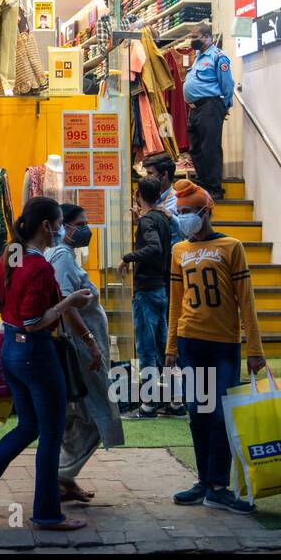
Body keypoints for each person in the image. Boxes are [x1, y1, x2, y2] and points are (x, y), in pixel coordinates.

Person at [0, 198, 101, 531]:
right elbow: (35, 321)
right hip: (36, 353)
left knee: (29, 427)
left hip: (11, 351)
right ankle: (48, 513)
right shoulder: (39, 266)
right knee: (50, 434)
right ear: (47, 226)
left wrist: (17, 299)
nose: (63, 229)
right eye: (60, 222)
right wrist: (69, 301)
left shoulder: (12, 255)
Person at [164, 179, 266, 514]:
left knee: (221, 414)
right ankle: (205, 481)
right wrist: (170, 349)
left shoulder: (232, 247)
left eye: (190, 212)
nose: (184, 218)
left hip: (223, 345)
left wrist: (255, 349)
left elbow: (245, 302)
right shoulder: (179, 250)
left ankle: (219, 485)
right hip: (191, 342)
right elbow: (175, 302)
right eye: (180, 213)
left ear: (206, 212)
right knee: (198, 412)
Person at [46, 204, 121, 504]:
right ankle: (61, 472)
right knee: (101, 413)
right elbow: (66, 303)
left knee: (79, 414)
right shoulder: (62, 256)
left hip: (84, 346)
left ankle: (65, 477)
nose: (87, 228)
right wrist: (90, 342)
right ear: (66, 226)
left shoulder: (63, 255)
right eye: (82, 223)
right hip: (82, 348)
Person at [120, 176, 179, 419]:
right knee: (163, 348)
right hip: (160, 289)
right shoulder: (161, 218)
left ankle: (149, 404)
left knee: (146, 349)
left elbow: (153, 248)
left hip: (147, 291)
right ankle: (175, 402)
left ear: (138, 195)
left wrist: (128, 257)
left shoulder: (149, 222)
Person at [181, 26, 233, 201]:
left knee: (210, 147)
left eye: (195, 36)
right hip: (195, 109)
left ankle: (214, 188)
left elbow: (227, 84)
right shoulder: (197, 58)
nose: (192, 39)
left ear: (207, 37)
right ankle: (203, 183)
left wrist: (223, 106)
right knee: (195, 148)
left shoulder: (218, 57)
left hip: (210, 106)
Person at [142, 153, 183, 242]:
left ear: (164, 175)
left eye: (150, 173)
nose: (146, 178)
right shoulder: (146, 199)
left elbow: (187, 232)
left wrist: (170, 217)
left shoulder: (179, 201)